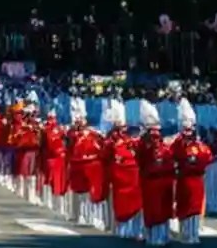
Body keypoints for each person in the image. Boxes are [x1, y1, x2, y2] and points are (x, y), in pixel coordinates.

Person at [172, 98, 212, 245]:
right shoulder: (177, 143)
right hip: (183, 179)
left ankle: (194, 233)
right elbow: (172, 156)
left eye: (190, 130)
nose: (188, 132)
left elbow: (207, 157)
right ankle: (185, 233)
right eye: (186, 129)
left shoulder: (199, 145)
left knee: (195, 208)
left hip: (196, 180)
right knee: (184, 206)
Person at [103, 100, 143, 239]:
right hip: (119, 178)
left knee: (137, 205)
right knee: (119, 204)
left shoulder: (136, 143)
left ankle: (136, 230)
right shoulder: (112, 142)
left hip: (135, 178)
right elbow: (106, 155)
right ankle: (119, 229)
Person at [137, 101, 174, 247]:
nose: (155, 137)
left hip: (162, 181)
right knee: (152, 210)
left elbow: (170, 162)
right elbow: (141, 158)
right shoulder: (144, 145)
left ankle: (162, 236)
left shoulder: (164, 148)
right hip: (150, 181)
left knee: (162, 210)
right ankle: (153, 236)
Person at [67, 99, 106, 229]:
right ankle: (82, 215)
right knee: (81, 193)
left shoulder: (95, 135)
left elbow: (102, 149)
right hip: (79, 166)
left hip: (93, 166)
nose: (81, 122)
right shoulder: (73, 135)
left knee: (94, 193)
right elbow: (69, 145)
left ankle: (95, 217)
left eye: (82, 120)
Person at [41, 109, 69, 217]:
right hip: (51, 158)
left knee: (59, 182)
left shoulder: (61, 130)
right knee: (50, 180)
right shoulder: (46, 130)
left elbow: (67, 141)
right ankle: (49, 201)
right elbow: (44, 143)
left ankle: (59, 205)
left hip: (59, 159)